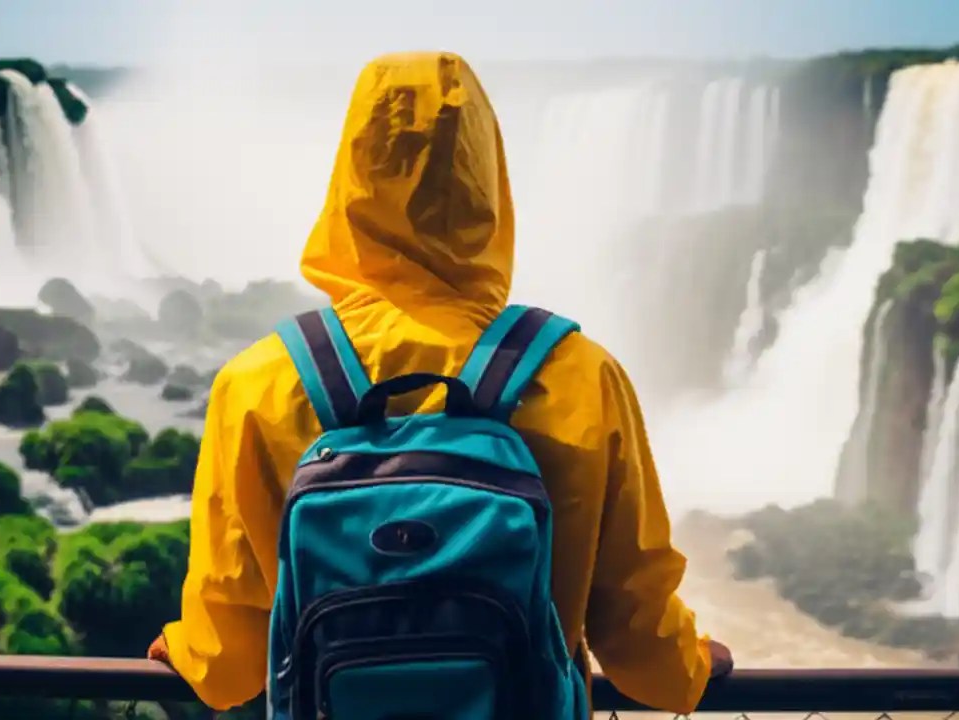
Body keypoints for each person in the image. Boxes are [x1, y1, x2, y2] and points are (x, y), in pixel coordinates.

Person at [148, 50, 733, 714]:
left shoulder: (258, 382)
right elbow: (636, 627)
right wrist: (690, 666)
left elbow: (230, 666)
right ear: (490, 181)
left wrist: (189, 648)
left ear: (349, 180)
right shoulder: (580, 374)